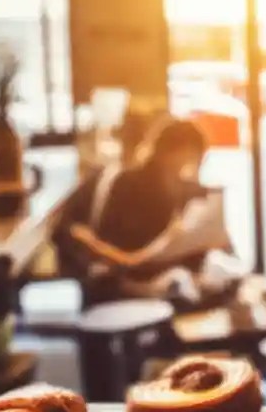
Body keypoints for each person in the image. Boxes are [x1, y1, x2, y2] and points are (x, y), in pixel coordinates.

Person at [56, 117, 246, 308]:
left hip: (126, 293)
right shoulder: (130, 190)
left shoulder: (175, 191)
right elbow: (129, 262)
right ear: (170, 155)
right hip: (117, 300)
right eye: (188, 165)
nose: (190, 176)